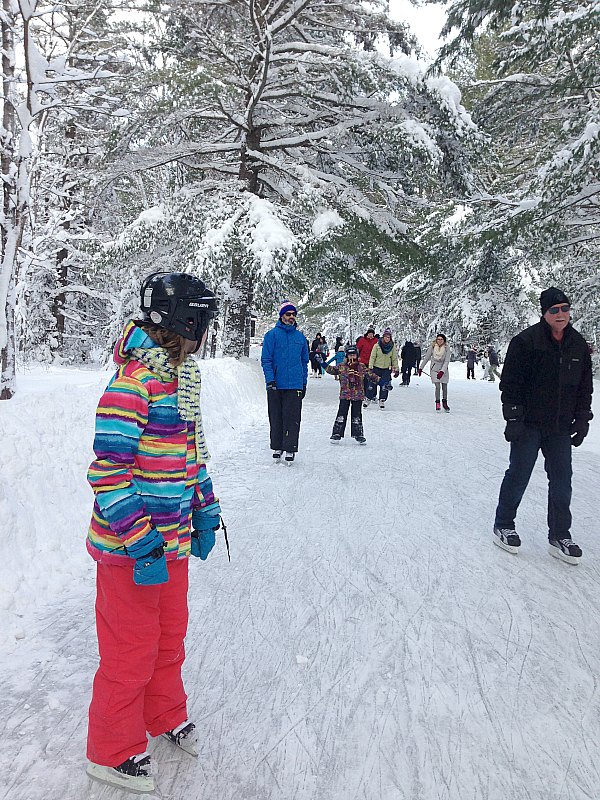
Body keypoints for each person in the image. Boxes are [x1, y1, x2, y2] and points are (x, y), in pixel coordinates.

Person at [85, 272, 221, 793]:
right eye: (203, 320)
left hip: (173, 545)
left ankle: (163, 715)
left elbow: (193, 458)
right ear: (184, 322)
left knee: (169, 641)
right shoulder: (132, 385)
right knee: (129, 651)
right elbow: (107, 472)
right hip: (131, 550)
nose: (206, 331)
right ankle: (110, 750)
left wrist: (205, 509)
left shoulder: (182, 382)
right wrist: (141, 539)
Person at [492, 287, 593, 563]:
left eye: (565, 308)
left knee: (562, 480)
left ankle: (559, 534)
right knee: (519, 474)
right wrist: (513, 418)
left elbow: (585, 386)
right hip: (529, 424)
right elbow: (510, 383)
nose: (560, 314)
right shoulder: (526, 342)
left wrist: (583, 418)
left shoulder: (578, 345)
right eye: (554, 310)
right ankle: (504, 523)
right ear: (544, 313)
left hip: (560, 426)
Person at [261, 301, 309, 463]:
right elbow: (266, 360)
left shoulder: (300, 337)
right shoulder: (271, 335)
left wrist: (303, 382)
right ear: (282, 316)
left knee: (293, 417)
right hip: (276, 384)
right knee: (276, 416)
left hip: (295, 384)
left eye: (293, 315)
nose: (291, 317)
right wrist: (270, 380)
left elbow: (304, 362)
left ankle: (290, 448)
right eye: (288, 314)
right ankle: (277, 446)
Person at [325, 344, 381, 444]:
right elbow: (332, 370)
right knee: (341, 414)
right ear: (346, 356)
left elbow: (371, 375)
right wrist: (322, 363)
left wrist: (383, 382)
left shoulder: (361, 367)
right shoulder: (342, 366)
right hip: (345, 394)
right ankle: (337, 433)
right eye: (350, 355)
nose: (352, 357)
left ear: (357, 355)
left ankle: (358, 434)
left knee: (357, 415)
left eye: (353, 355)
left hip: (358, 394)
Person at [366, 328, 400, 409]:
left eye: (389, 337)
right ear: (383, 337)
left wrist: (397, 369)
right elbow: (372, 357)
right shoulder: (377, 345)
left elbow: (394, 358)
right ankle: (368, 398)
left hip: (386, 369)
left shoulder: (392, 347)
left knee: (385, 385)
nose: (387, 339)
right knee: (372, 384)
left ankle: (382, 400)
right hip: (376, 367)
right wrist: (370, 367)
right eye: (386, 337)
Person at [419, 333, 451, 411]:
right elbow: (426, 358)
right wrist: (420, 368)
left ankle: (445, 402)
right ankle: (437, 402)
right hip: (434, 369)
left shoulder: (447, 348)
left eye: (441, 339)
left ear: (444, 341)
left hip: (443, 370)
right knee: (437, 386)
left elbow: (447, 361)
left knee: (444, 387)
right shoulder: (432, 347)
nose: (439, 341)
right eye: (438, 339)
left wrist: (442, 371)